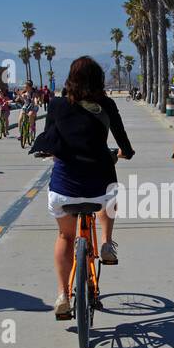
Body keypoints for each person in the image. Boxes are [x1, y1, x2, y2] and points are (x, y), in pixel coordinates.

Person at [45, 56, 135, 318]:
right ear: (99, 80)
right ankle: (106, 243)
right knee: (110, 195)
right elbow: (122, 140)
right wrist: (125, 152)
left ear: (70, 80)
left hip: (64, 188)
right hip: (99, 186)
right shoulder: (106, 105)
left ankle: (63, 295)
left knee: (65, 237)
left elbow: (50, 140)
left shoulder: (57, 105)